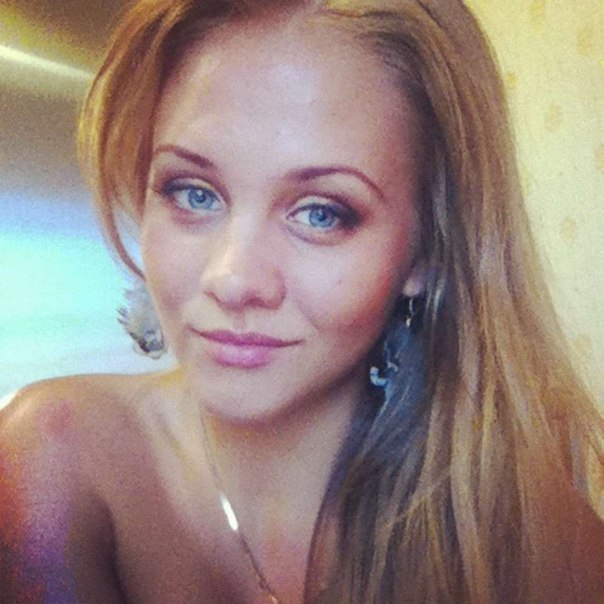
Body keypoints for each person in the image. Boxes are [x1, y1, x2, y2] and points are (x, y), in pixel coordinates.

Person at [1, 0, 603, 602]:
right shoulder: (57, 458)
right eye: (194, 193)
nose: (232, 279)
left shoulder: (511, 519)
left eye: (321, 213)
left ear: (425, 251)